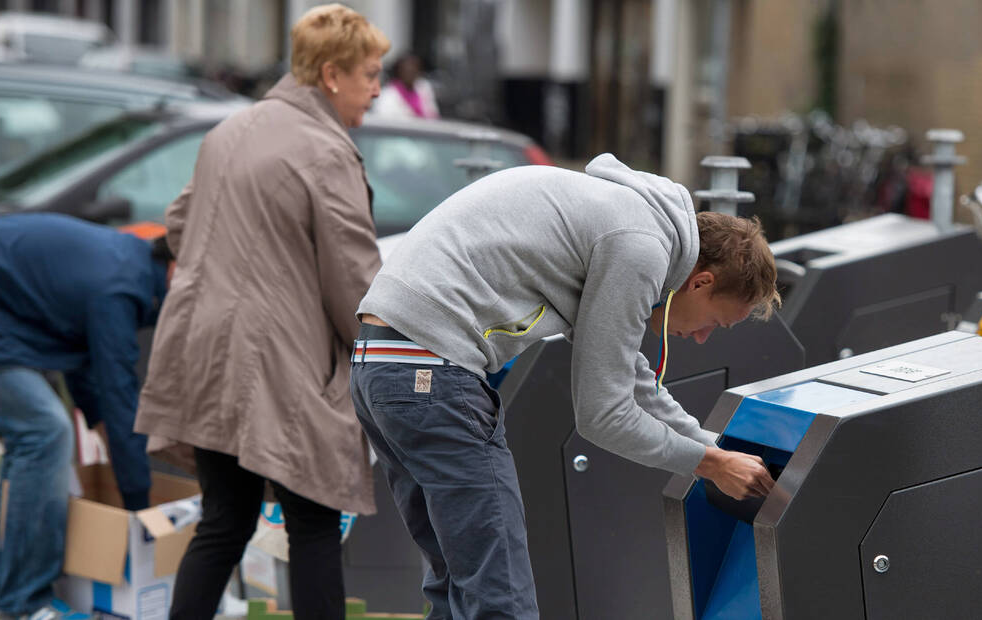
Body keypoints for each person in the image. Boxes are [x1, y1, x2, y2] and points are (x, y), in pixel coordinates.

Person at [351, 153, 781, 618]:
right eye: (715, 322)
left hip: (382, 366)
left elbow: (630, 377)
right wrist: (711, 463)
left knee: (458, 587)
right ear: (701, 281)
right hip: (433, 373)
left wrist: (714, 446)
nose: (701, 338)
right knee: (500, 597)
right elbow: (603, 416)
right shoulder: (640, 247)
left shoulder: (618, 216)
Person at [132, 4, 388, 618]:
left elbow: (179, 223)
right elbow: (355, 283)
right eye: (370, 74)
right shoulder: (327, 151)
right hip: (281, 364)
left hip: (205, 352)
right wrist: (390, 350)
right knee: (317, 521)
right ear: (331, 75)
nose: (377, 92)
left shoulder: (232, 129)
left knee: (224, 520)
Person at [0, 213, 170, 618]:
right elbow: (118, 390)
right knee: (46, 433)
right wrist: (140, 509)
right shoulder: (120, 287)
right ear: (178, 267)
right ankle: (23, 601)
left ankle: (1, 590)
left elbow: (87, 366)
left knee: (33, 441)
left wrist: (102, 424)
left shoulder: (128, 264)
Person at [371, 52, 439, 119]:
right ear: (399, 71)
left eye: (415, 69)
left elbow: (433, 114)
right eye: (407, 70)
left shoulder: (424, 88)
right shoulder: (387, 95)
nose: (411, 73)